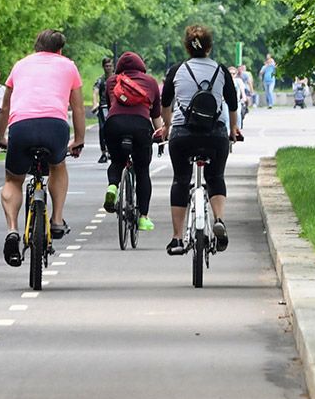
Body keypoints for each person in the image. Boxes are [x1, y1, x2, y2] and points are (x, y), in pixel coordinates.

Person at [0, 29, 86, 266]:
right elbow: (77, 108)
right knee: (57, 166)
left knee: (13, 180)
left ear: (36, 46)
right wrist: (78, 140)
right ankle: (56, 220)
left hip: (21, 126)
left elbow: (5, 108)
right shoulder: (69, 66)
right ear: (60, 49)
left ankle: (13, 230)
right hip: (54, 127)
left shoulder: (20, 66)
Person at [162, 23, 242, 255]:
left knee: (180, 179)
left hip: (183, 134)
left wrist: (167, 128)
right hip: (214, 134)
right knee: (216, 176)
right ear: (209, 47)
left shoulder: (177, 70)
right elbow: (233, 104)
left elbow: (165, 104)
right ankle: (219, 219)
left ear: (187, 47)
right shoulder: (221, 70)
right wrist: (233, 129)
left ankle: (177, 238)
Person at [101, 50, 165, 231]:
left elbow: (110, 104)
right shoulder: (151, 82)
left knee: (117, 161)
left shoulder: (112, 81)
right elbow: (156, 115)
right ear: (141, 66)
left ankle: (113, 186)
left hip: (114, 125)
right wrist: (159, 135)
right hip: (140, 126)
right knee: (142, 169)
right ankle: (143, 217)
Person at [92, 57, 114, 162]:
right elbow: (95, 91)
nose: (108, 68)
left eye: (110, 66)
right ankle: (104, 152)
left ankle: (114, 150)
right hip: (104, 107)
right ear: (103, 67)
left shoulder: (117, 79)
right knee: (103, 129)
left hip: (114, 107)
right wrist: (95, 103)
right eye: (106, 66)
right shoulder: (101, 80)